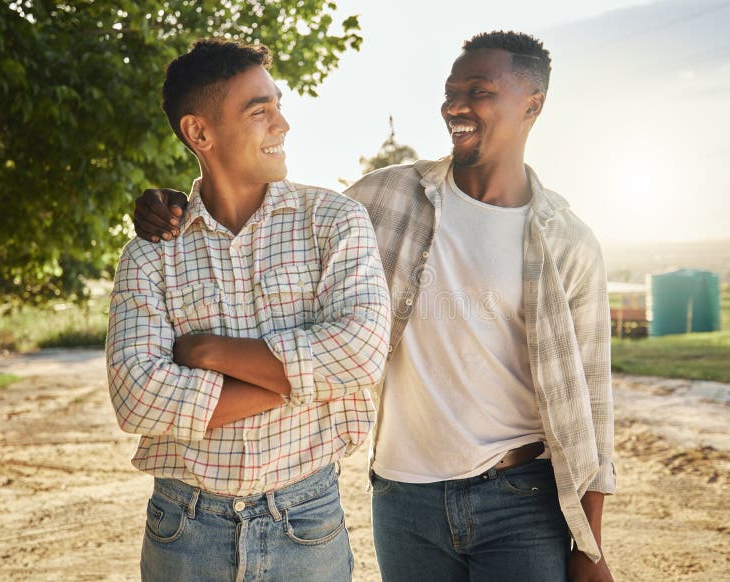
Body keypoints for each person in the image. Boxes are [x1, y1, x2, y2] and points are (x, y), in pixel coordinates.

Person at [134, 30, 615, 582]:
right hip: (403, 499)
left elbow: (593, 406)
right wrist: (171, 203)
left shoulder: (568, 245)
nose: (455, 106)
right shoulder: (383, 199)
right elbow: (262, 203)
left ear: (532, 105)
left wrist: (590, 548)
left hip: (519, 497)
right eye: (450, 91)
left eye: (478, 91)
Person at [107, 38, 391, 582]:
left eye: (278, 105)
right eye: (259, 110)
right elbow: (136, 398)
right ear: (199, 132)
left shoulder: (333, 221)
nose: (281, 124)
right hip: (183, 529)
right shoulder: (152, 250)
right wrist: (300, 383)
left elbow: (360, 353)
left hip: (306, 522)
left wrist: (205, 351)